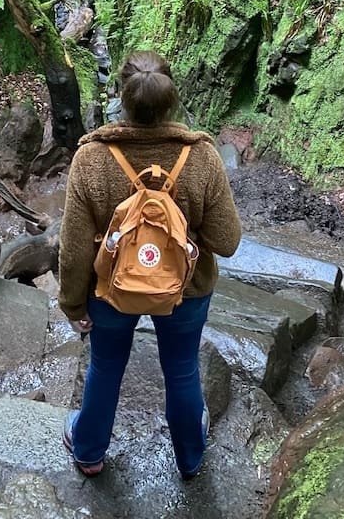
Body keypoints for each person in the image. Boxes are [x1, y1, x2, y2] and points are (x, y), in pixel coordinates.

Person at [58, 49, 242, 479]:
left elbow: (74, 246)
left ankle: (88, 450)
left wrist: (72, 304)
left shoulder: (91, 159)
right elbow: (228, 241)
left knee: (105, 366)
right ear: (173, 98)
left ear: (121, 97)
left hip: (110, 289)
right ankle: (190, 458)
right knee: (181, 369)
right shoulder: (201, 158)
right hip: (186, 288)